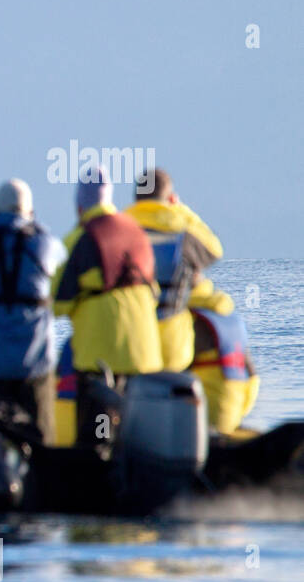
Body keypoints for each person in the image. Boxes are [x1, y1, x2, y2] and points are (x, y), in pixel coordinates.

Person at [52, 166, 163, 445]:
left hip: (99, 358)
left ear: (79, 206)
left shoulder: (77, 240)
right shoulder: (137, 234)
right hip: (145, 355)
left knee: (97, 436)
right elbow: (155, 292)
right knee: (135, 437)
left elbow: (57, 304)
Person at [0, 178, 66, 441]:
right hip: (34, 360)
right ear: (29, 211)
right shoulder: (41, 243)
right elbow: (60, 254)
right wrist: (33, 224)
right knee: (41, 436)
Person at [123, 168, 223, 371]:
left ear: (136, 198)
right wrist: (181, 211)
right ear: (170, 198)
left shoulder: (120, 228)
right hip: (172, 347)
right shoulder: (182, 233)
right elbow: (215, 250)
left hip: (129, 344)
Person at [188, 284, 260, 437]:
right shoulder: (232, 319)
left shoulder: (189, 319)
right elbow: (253, 376)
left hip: (205, 418)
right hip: (235, 412)